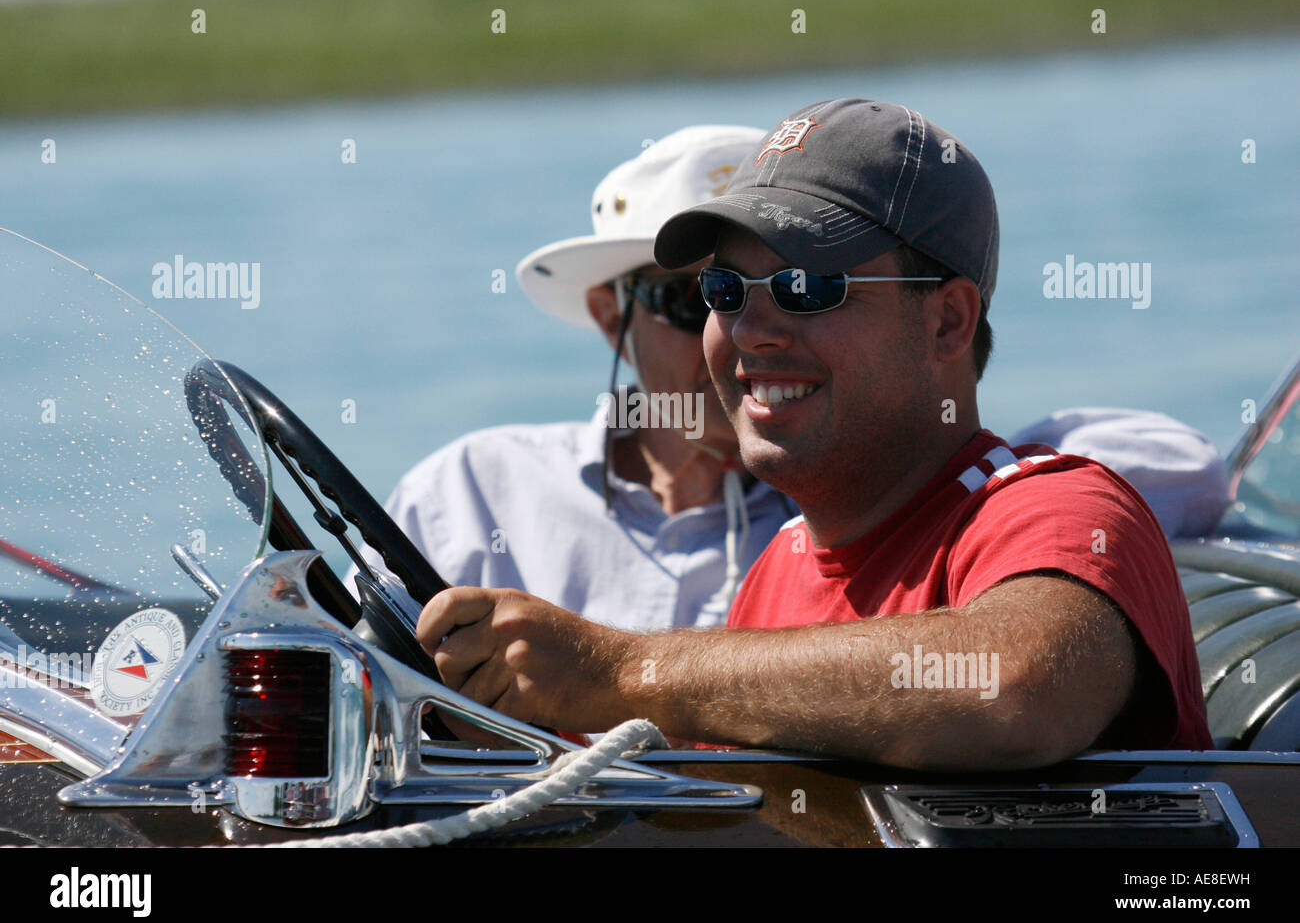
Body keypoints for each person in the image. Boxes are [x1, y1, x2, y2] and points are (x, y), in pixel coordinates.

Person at [416, 98, 1214, 768]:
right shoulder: (781, 569)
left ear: (947, 321)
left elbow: (1016, 687)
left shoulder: (1058, 511)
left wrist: (619, 669)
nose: (750, 329)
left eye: (806, 285)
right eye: (723, 290)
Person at [351, 125, 795, 631]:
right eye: (702, 298)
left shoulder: (859, 511)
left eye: (788, 294)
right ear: (611, 319)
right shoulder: (467, 495)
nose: (749, 334)